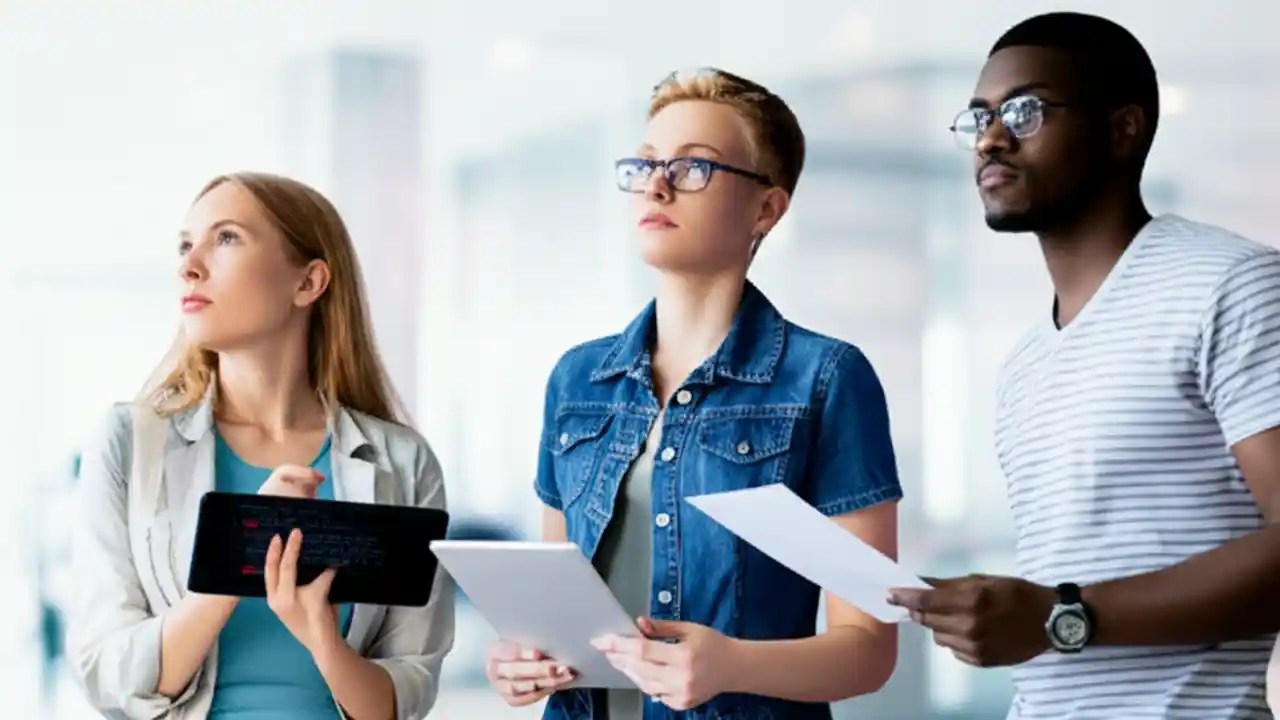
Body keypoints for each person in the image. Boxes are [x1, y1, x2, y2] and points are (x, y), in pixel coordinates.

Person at [886, 12, 1280, 719]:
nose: (991, 138)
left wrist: (1060, 614)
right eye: (979, 117)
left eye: (1025, 111)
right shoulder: (1025, 365)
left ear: (1123, 129)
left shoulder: (1230, 284)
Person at [483, 67, 903, 719]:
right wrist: (518, 660)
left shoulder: (826, 378)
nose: (657, 185)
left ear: (766, 209)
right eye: (645, 164)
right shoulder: (578, 380)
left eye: (693, 167)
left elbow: (869, 650)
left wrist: (732, 665)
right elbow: (552, 609)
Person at [67, 172, 454, 719]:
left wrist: (325, 641)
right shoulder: (129, 443)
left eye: (226, 238)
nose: (189, 266)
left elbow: (407, 694)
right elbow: (109, 678)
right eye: (185, 245)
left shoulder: (404, 463)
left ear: (308, 282)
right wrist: (241, 548)